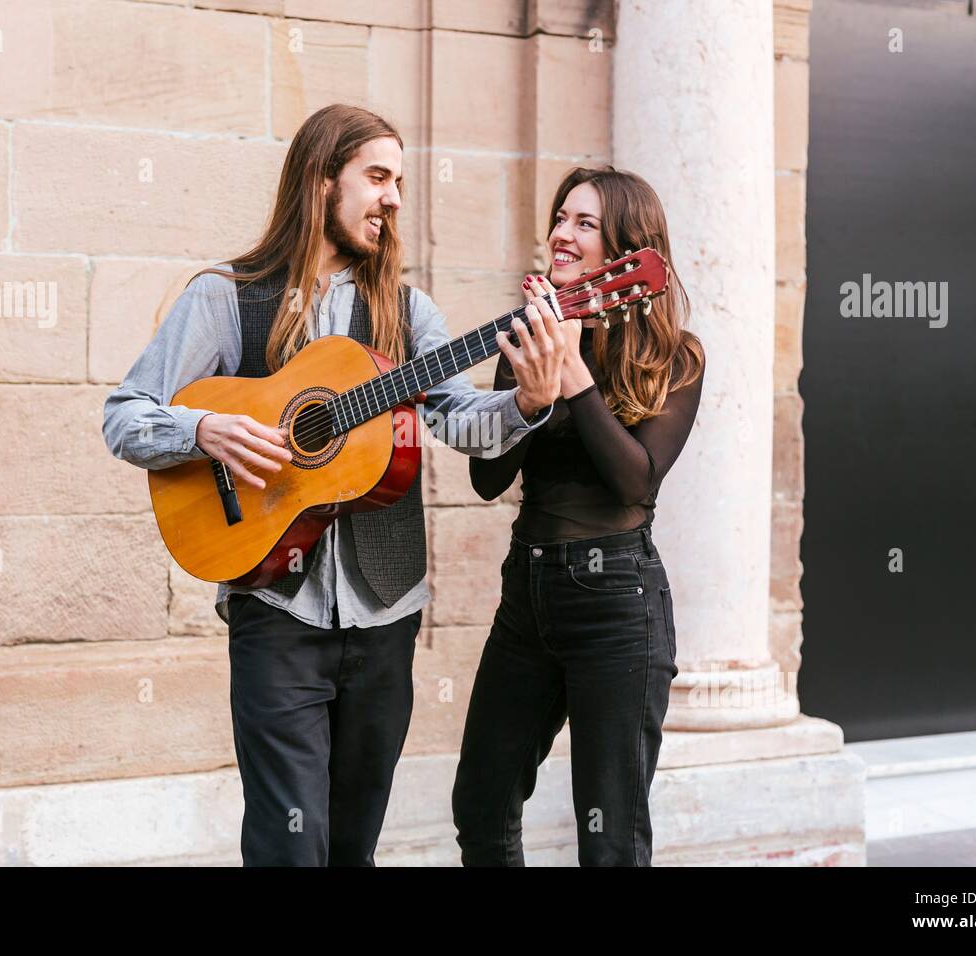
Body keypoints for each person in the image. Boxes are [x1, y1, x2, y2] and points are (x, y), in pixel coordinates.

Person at [102, 104, 567, 866]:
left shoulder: (406, 313)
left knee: (351, 848)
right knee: (292, 847)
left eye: (400, 184)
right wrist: (201, 431)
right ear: (321, 182)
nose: (393, 199)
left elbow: (458, 425)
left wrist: (526, 404)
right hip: (275, 609)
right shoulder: (226, 297)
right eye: (377, 177)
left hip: (385, 617)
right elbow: (126, 416)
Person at [451, 166, 706, 866]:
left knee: (609, 837)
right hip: (527, 597)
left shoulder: (675, 358)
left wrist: (575, 378)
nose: (562, 234)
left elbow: (637, 482)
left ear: (626, 247)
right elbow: (486, 479)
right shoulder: (526, 338)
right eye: (561, 218)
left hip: (617, 605)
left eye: (584, 223)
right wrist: (526, 403)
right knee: (480, 804)